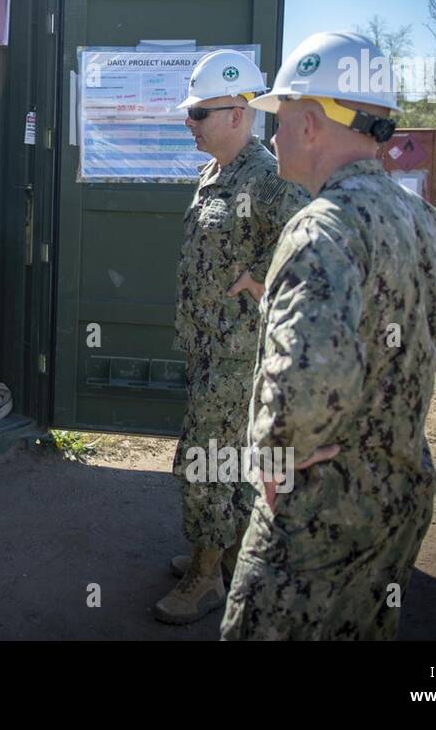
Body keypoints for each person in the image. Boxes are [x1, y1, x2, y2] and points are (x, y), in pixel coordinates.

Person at [221, 31, 436, 640]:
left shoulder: (321, 229)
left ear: (313, 123)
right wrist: (387, 380)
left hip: (317, 513)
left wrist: (278, 451)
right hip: (396, 497)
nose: (273, 136)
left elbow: (303, 385)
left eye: (282, 119)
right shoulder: (415, 214)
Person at [155, 50, 309, 625]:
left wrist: (258, 277)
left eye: (198, 113)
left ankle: (204, 579)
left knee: (205, 459)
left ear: (240, 112)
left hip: (238, 354)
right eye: (189, 113)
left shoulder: (268, 177)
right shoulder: (215, 173)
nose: (188, 122)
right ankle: (221, 559)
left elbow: (308, 240)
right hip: (207, 345)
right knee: (227, 458)